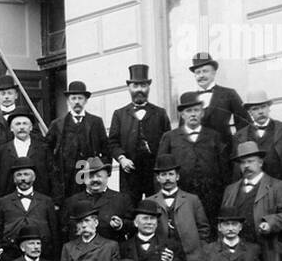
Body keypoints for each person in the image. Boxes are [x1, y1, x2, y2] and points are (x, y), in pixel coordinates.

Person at [156, 92, 228, 228]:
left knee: (210, 232)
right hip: (182, 196)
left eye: (196, 110)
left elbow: (224, 170)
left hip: (212, 198)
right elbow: (160, 170)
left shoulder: (214, 136)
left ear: (202, 113)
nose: (193, 114)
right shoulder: (170, 137)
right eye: (189, 111)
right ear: (182, 115)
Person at [220, 140, 282, 261]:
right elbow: (223, 220)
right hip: (238, 250)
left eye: (250, 161)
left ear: (260, 162)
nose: (246, 166)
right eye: (243, 163)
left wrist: (270, 223)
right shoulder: (230, 190)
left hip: (268, 247)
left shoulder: (278, 186)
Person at [108, 64, 171, 206]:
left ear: (148, 87)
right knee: (129, 210)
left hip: (154, 174)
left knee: (157, 209)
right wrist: (122, 159)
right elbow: (112, 142)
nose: (139, 90)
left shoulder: (160, 113)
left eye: (143, 86)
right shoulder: (119, 114)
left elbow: (168, 143)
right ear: (129, 88)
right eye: (135, 86)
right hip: (130, 173)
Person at [45, 80, 110, 200]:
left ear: (85, 100)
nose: (77, 102)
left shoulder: (96, 122)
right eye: (73, 98)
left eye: (80, 98)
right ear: (68, 101)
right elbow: (47, 149)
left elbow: (106, 149)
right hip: (66, 177)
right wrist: (54, 170)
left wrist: (100, 170)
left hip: (90, 175)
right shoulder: (57, 124)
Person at [0, 157, 60, 261]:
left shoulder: (46, 201)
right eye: (19, 175)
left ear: (34, 177)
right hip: (11, 254)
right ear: (14, 179)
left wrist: (55, 257)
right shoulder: (4, 201)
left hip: (43, 254)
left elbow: (54, 230)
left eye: (26, 174)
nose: (23, 178)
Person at [144, 155, 210, 260]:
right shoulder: (149, 202)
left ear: (177, 176)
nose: (167, 178)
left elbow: (203, 229)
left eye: (171, 174)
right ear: (158, 178)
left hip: (190, 256)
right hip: (161, 257)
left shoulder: (192, 200)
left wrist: (199, 251)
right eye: (163, 175)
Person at [0, 109, 52, 203]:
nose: (22, 127)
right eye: (18, 124)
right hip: (8, 202)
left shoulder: (43, 149)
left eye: (25, 124)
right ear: (11, 128)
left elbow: (53, 175)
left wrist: (55, 201)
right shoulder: (1, 151)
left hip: (39, 202)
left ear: (31, 127)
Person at [61, 156, 132, 242]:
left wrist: (121, 225)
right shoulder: (72, 202)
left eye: (99, 176)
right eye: (90, 176)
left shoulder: (122, 199)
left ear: (107, 176)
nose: (95, 180)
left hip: (112, 253)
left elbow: (133, 227)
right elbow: (64, 232)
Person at [232, 89, 282, 181]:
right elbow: (237, 170)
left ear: (269, 108)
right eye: (255, 109)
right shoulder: (239, 136)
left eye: (263, 107)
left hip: (281, 186)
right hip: (254, 189)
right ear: (250, 112)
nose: (260, 112)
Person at [186, 51, 248, 138]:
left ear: (214, 72)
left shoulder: (228, 94)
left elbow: (244, 124)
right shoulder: (188, 98)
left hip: (224, 149)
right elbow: (182, 131)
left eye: (205, 71)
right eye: (198, 72)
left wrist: (237, 145)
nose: (201, 75)